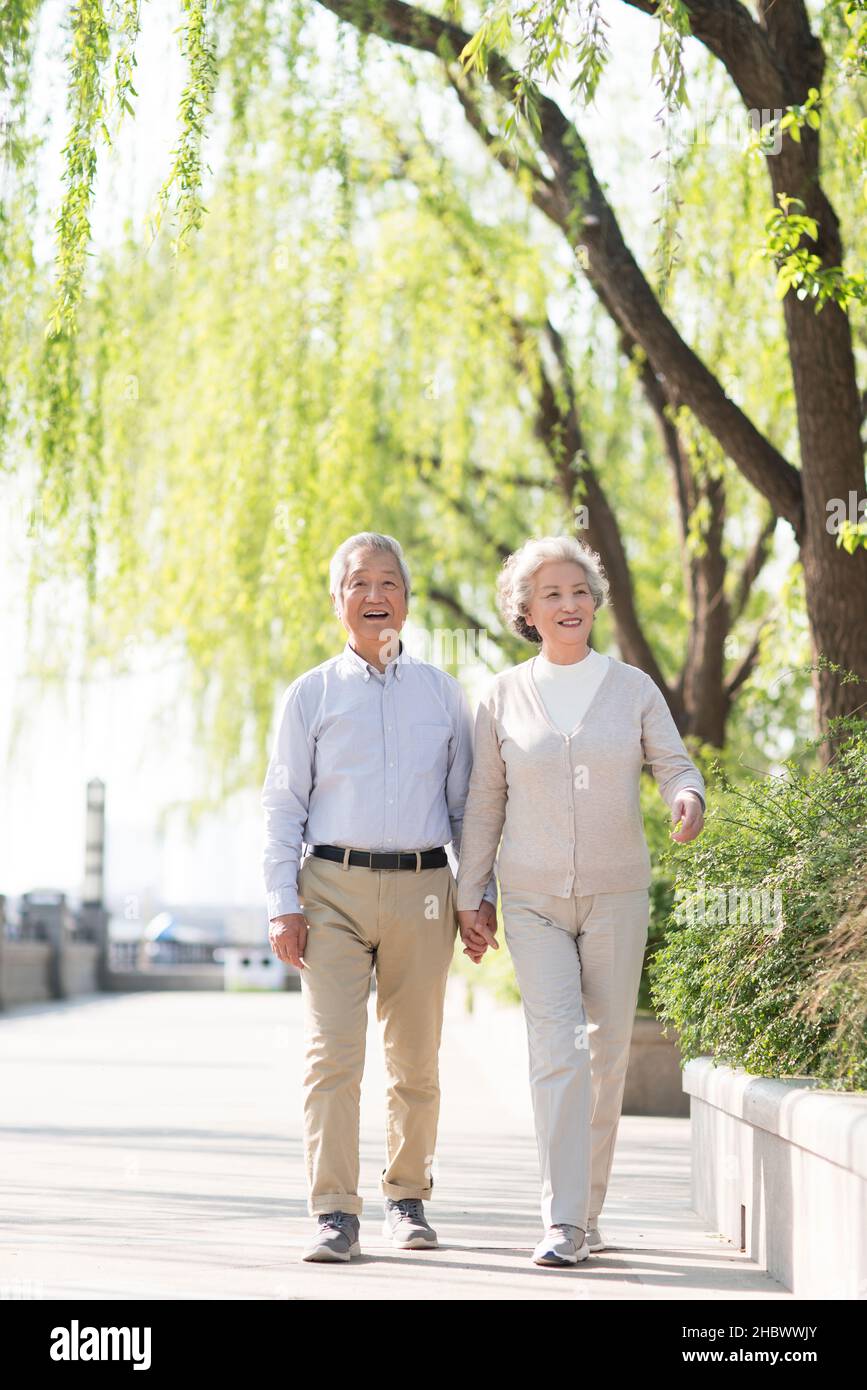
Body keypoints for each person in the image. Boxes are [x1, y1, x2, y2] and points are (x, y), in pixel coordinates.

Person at [456, 535, 706, 1267]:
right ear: (526, 611)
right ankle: (562, 1219)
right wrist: (472, 895)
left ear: (594, 602)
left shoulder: (630, 688)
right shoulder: (501, 695)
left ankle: (585, 1211)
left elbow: (672, 762)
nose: (568, 604)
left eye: (578, 591)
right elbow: (482, 802)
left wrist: (685, 795)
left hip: (616, 895)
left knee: (605, 1057)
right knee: (558, 1050)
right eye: (551, 594)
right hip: (530, 898)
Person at [261, 531, 497, 1262]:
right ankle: (334, 1212)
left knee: (415, 1058)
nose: (374, 596)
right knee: (332, 1054)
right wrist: (281, 902)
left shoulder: (442, 693)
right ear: (338, 601)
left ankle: (408, 1198)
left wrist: (473, 897)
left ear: (408, 599)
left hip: (426, 887)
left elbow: (467, 807)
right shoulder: (310, 695)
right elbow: (282, 804)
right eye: (359, 584)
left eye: (388, 583)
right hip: (329, 887)